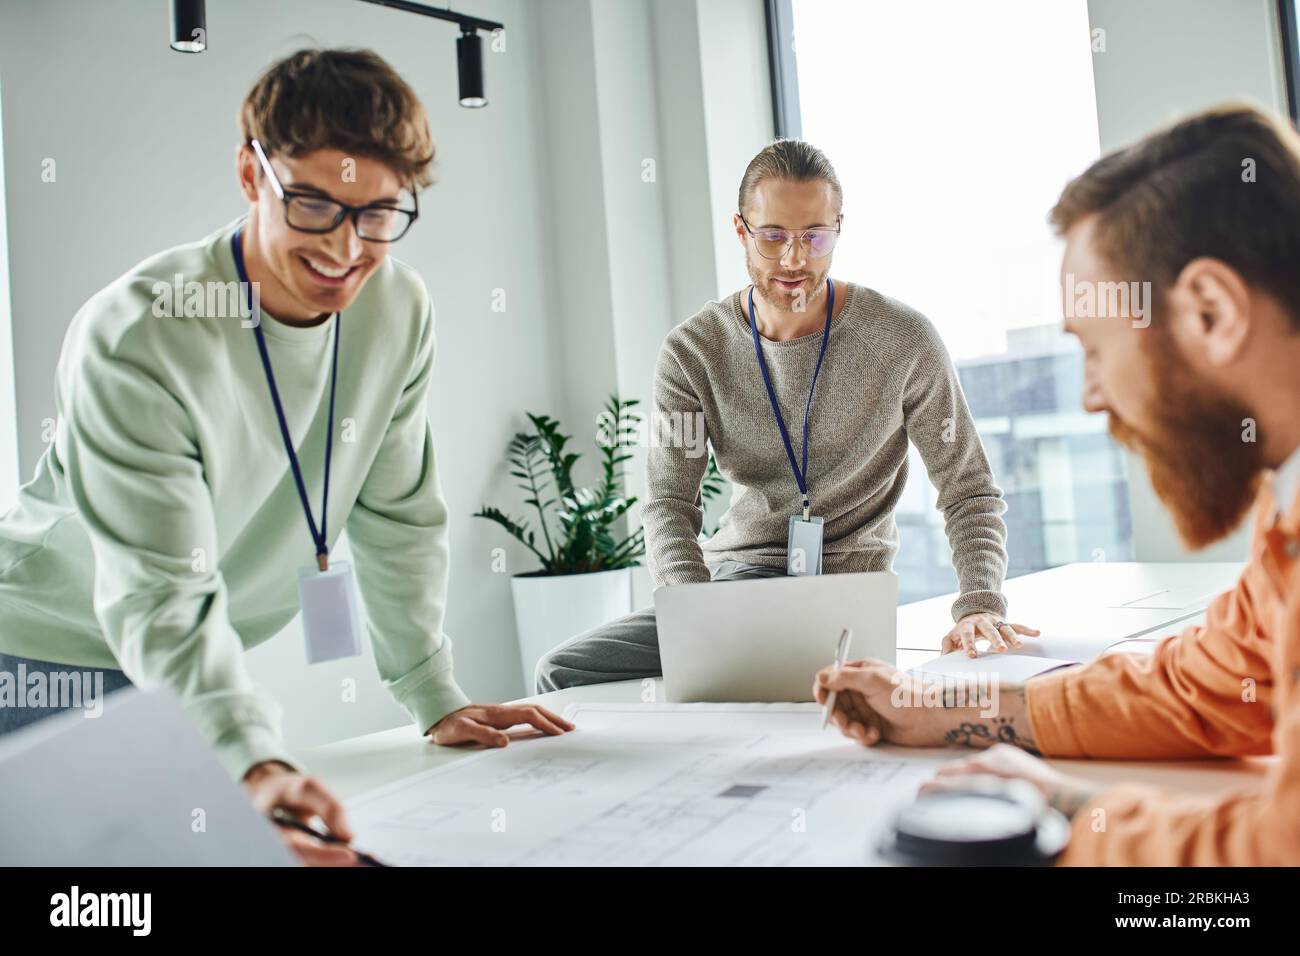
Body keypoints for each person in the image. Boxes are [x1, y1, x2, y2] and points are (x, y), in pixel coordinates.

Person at [0, 48, 572, 866]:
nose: (346, 248)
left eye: (378, 213)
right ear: (249, 173)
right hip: (43, 653)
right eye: (312, 205)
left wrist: (430, 693)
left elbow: (398, 511)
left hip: (174, 654)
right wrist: (249, 757)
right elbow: (158, 595)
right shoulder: (137, 336)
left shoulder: (397, 307)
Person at [815, 103, 1300, 865]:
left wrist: (1074, 821)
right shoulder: (1290, 510)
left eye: (1098, 350)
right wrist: (936, 706)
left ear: (1211, 312)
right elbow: (1207, 685)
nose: (1090, 398)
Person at [537, 139, 1037, 692]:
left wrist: (979, 603)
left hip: (850, 593)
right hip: (734, 585)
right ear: (741, 230)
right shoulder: (692, 351)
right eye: (773, 236)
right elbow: (668, 504)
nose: (795, 259)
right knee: (560, 671)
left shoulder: (903, 339)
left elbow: (968, 489)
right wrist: (694, 614)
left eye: (814, 236)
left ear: (838, 229)